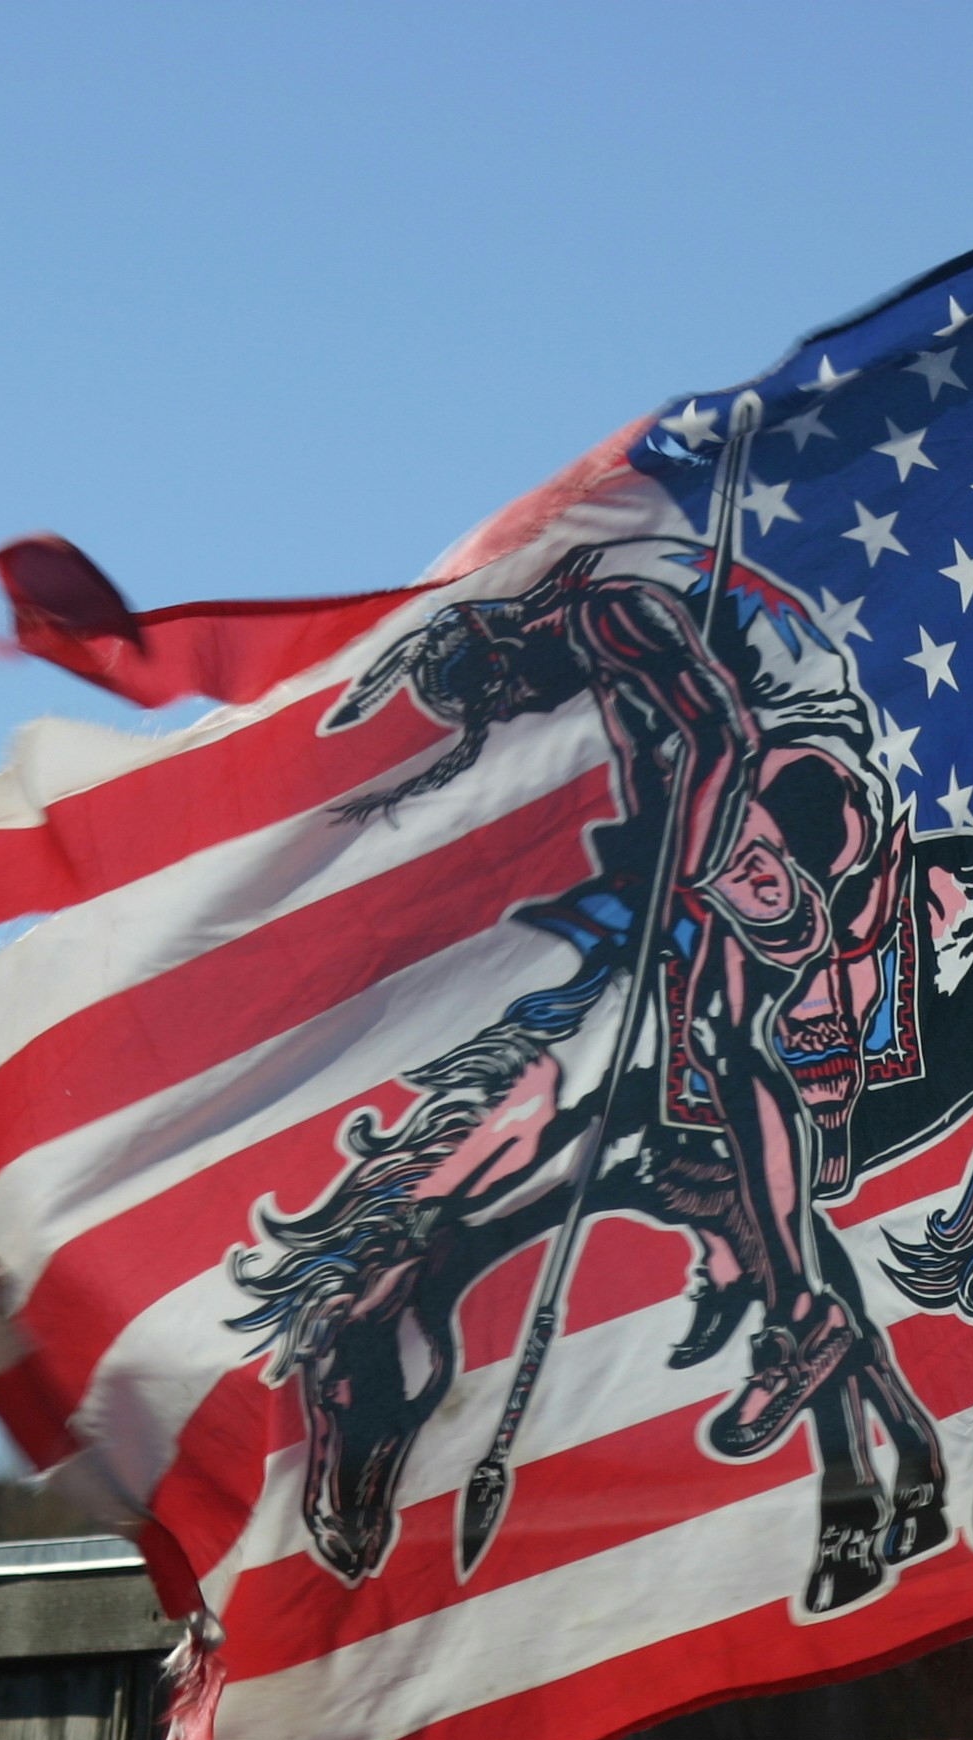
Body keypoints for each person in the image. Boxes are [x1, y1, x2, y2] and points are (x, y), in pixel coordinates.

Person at [337, 537, 911, 1457]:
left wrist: (681, 877)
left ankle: (803, 1313)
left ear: (507, 651)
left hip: (799, 756)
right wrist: (655, 874)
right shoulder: (590, 633)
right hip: (733, 772)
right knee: (659, 967)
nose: (526, 708)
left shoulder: (613, 615)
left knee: (727, 1034)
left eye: (512, 695)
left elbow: (722, 736)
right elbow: (655, 771)